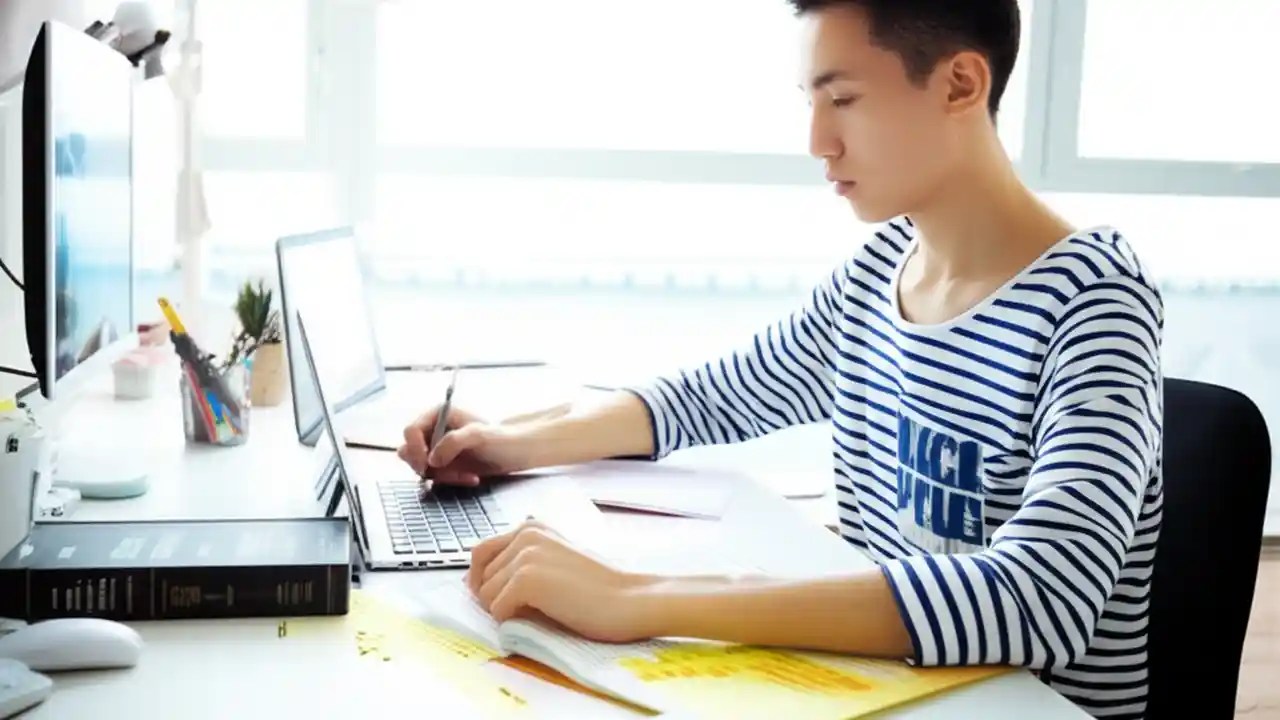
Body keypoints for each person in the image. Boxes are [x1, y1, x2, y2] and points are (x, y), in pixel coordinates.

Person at [397, 2, 1163, 718]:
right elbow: (707, 399)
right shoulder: (881, 271)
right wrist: (506, 443)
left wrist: (638, 596)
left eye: (845, 100)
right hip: (885, 692)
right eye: (811, 100)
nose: (817, 141)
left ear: (961, 83)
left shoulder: (1094, 301)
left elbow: (1041, 599)